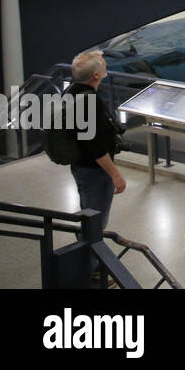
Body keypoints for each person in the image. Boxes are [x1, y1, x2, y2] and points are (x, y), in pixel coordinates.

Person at [67, 50, 125, 280]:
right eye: (103, 66)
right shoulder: (90, 103)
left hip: (80, 166)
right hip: (95, 171)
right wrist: (115, 175)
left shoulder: (71, 93)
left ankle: (88, 263)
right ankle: (89, 273)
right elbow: (97, 149)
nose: (105, 69)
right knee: (95, 222)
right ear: (95, 76)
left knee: (87, 213)